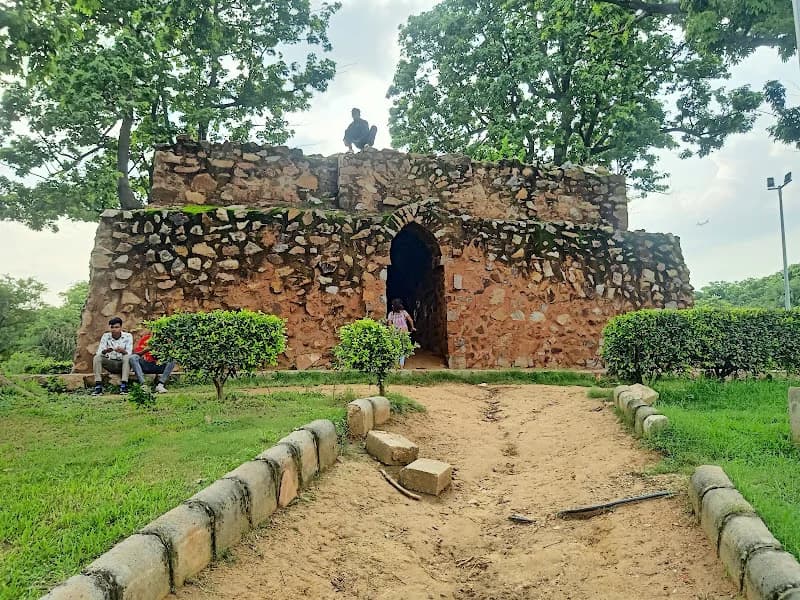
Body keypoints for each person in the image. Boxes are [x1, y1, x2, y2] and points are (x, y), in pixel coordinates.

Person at [92, 317, 133, 395]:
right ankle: (98, 385)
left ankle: (124, 385)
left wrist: (122, 351)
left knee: (127, 357)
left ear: (121, 327)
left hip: (122, 364)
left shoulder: (128, 336)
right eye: (112, 327)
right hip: (110, 363)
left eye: (116, 327)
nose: (114, 329)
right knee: (97, 358)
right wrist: (106, 351)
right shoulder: (106, 336)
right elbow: (100, 352)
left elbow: (129, 353)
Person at [387, 298, 416, 368]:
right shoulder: (404, 312)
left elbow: (389, 324)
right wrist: (412, 327)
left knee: (396, 348)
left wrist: (390, 331)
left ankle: (395, 364)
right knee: (403, 349)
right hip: (404, 333)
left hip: (395, 333)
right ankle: (401, 365)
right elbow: (410, 320)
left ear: (393, 306)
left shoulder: (391, 314)